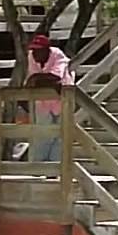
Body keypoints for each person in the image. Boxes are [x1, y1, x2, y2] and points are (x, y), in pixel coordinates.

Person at [24, 33, 74, 161]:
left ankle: (55, 168)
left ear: (46, 50)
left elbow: (56, 76)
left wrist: (36, 78)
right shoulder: (31, 57)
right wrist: (41, 80)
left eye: (38, 51)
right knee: (42, 134)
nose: (35, 54)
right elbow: (36, 82)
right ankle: (38, 167)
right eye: (33, 50)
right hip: (43, 101)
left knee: (60, 135)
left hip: (62, 99)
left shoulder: (57, 55)